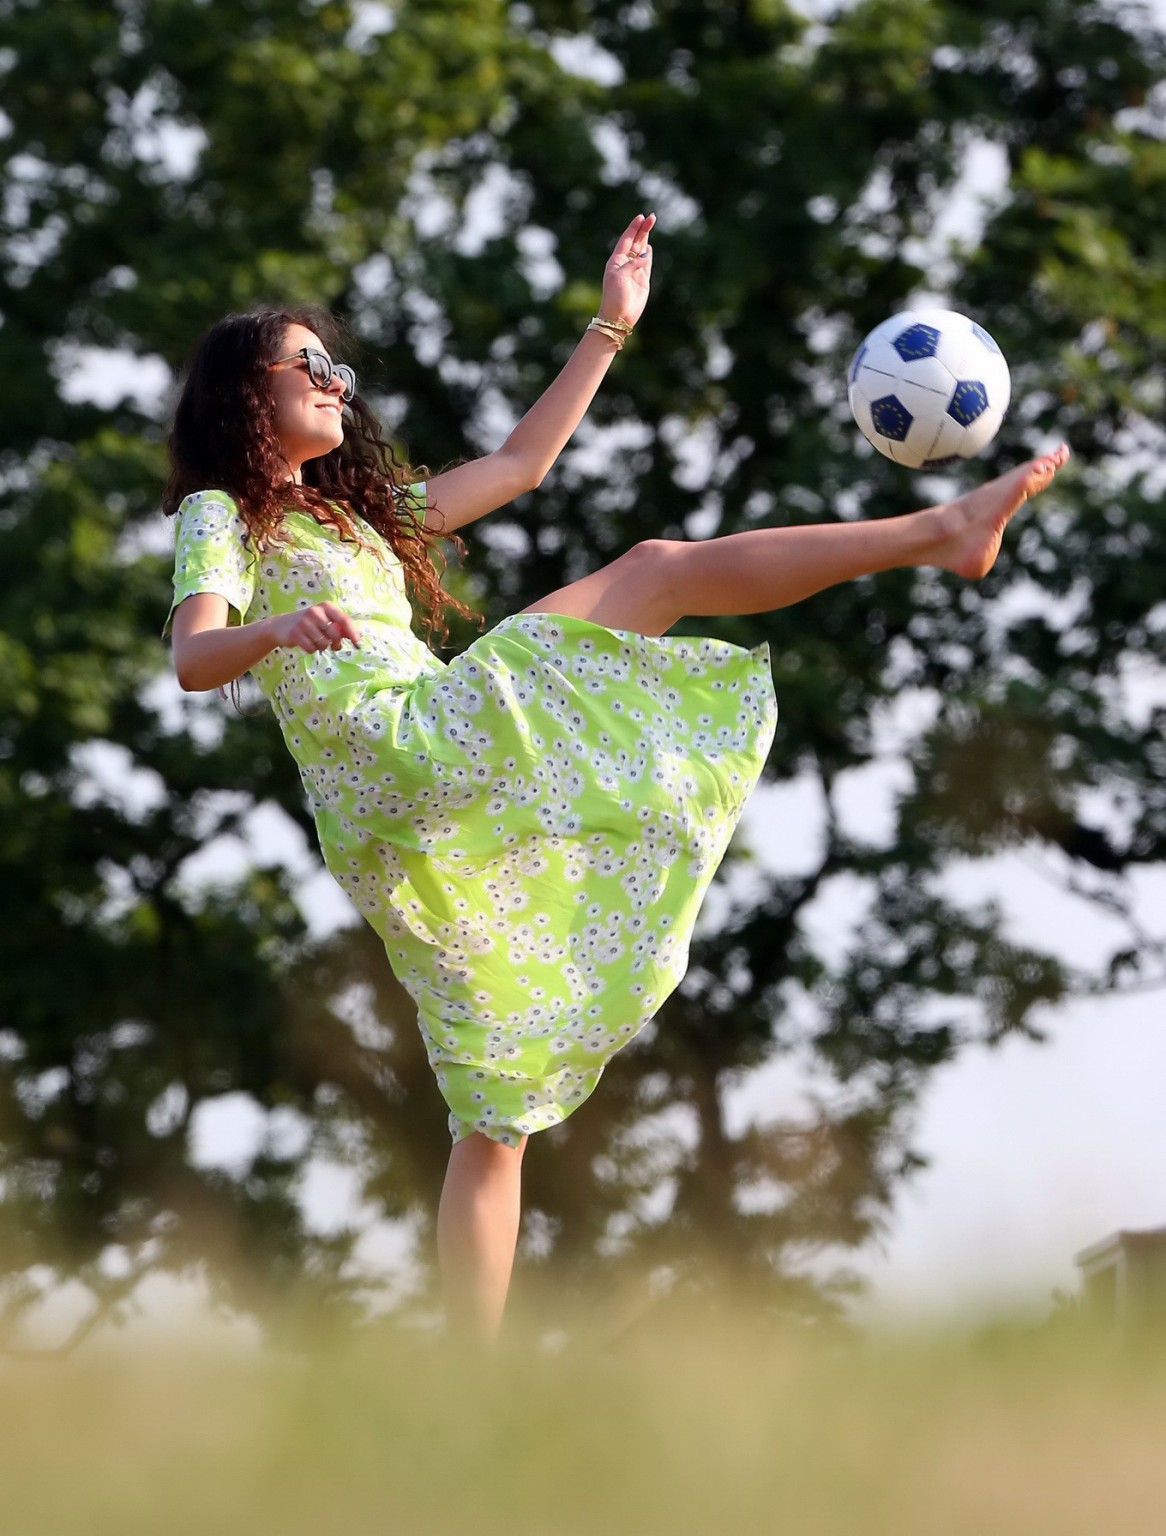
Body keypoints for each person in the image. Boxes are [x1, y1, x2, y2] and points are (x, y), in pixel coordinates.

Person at [164, 212, 1069, 1341]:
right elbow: (194, 658)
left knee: (491, 1112)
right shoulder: (223, 513)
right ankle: (939, 529)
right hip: (404, 740)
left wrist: (607, 324)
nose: (339, 384)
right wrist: (277, 631)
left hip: (402, 801)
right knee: (652, 573)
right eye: (314, 367)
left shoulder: (361, 516)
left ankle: (468, 1385)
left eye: (338, 367)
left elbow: (519, 466)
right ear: (245, 397)